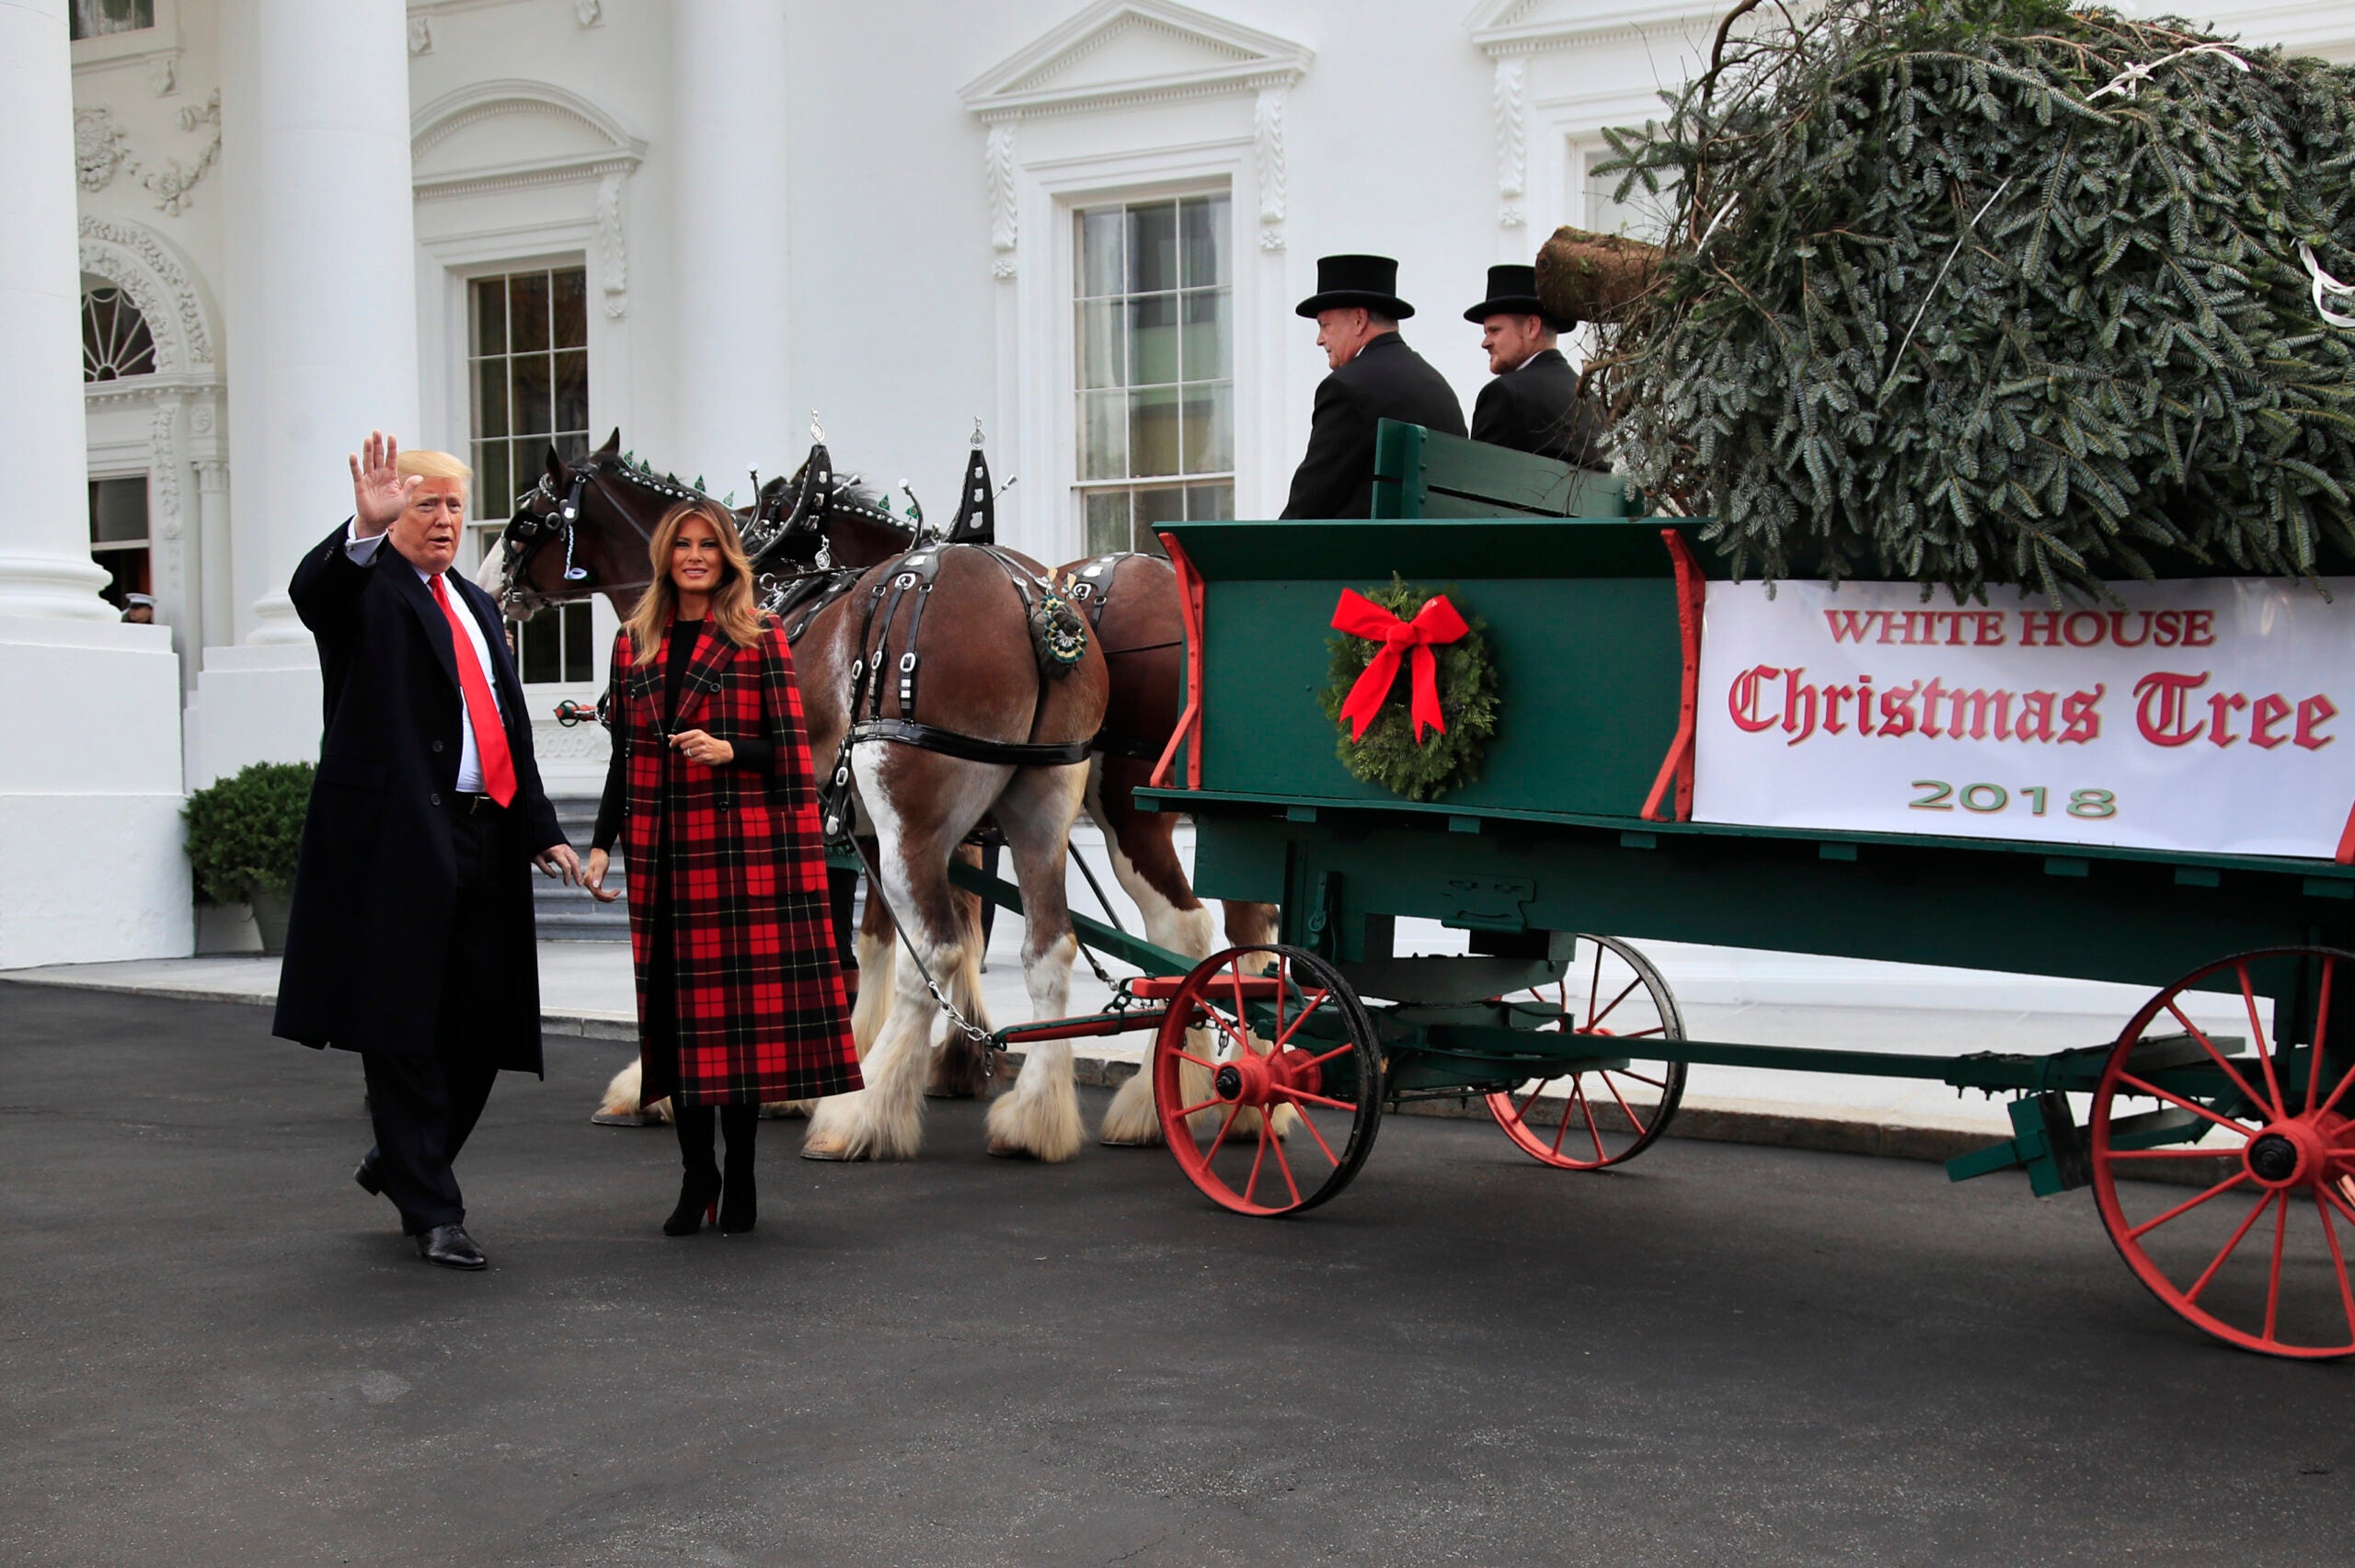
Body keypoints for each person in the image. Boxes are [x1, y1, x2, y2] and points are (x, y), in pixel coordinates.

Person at [275, 433, 584, 1271]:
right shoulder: (366, 587)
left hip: (486, 830)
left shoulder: (480, 608)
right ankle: (432, 1210)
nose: (443, 519)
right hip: (396, 838)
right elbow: (316, 594)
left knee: (485, 1024)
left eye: (452, 505)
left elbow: (510, 731)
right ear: (392, 511)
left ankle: (400, 1158)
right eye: (425, 504)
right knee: (401, 1025)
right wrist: (362, 530)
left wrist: (545, 829)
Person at [582, 498, 861, 1237]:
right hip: (660, 857)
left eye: (709, 544)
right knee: (674, 1028)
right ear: (667, 556)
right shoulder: (632, 642)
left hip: (737, 858)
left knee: (734, 1031)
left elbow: (791, 750)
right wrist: (603, 842)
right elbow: (624, 757)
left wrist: (731, 749)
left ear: (727, 555)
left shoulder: (758, 633)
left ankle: (738, 1173)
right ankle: (694, 1174)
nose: (696, 555)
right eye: (684, 545)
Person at [1281, 254, 1465, 520]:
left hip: (1369, 556)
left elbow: (1309, 502)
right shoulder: (1438, 386)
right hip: (1435, 553)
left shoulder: (1346, 388)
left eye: (1324, 325)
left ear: (1359, 319)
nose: (1320, 340)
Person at [1465, 262, 1609, 468]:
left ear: (1532, 327)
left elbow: (1476, 481)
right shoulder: (1591, 400)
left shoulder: (1504, 393)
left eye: (1495, 331)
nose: (1485, 343)